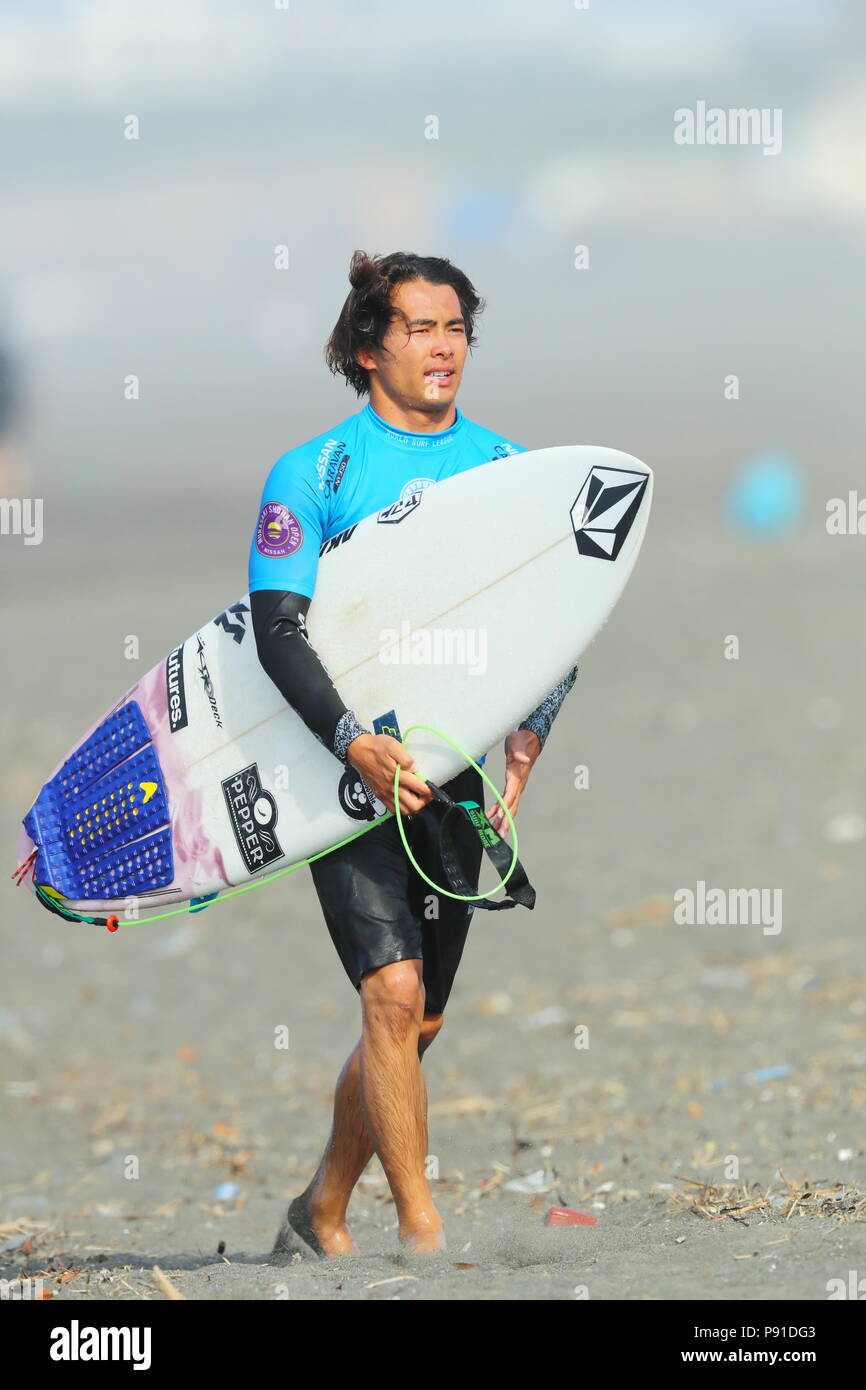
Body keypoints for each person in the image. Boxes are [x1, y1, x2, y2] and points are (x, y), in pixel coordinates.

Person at [248, 251, 577, 1258]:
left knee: (417, 1021)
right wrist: (349, 738)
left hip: (453, 764)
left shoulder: (506, 471)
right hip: (340, 770)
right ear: (366, 345)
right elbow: (277, 630)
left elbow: (551, 620)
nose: (442, 347)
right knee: (386, 996)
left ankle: (320, 1208)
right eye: (419, 328)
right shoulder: (312, 475)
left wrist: (531, 730)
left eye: (455, 329)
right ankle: (421, 1237)